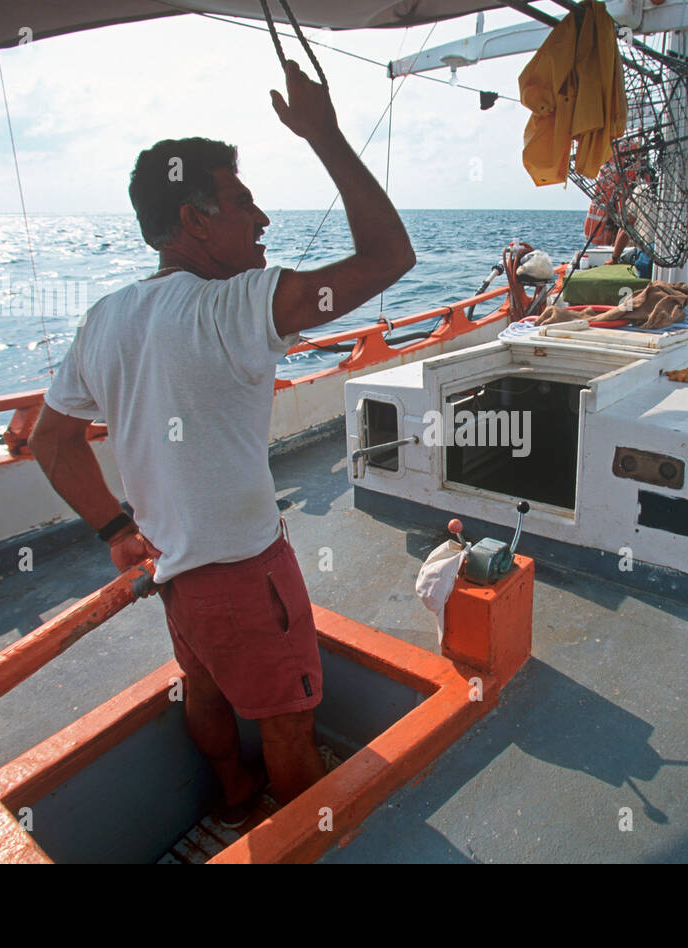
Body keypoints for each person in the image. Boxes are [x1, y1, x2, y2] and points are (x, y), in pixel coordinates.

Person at [27, 60, 415, 822]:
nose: (263, 218)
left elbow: (51, 439)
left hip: (176, 572)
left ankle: (237, 802)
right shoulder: (234, 306)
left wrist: (115, 529)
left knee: (203, 687)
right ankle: (302, 832)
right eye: (243, 202)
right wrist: (326, 134)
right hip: (245, 573)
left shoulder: (104, 316)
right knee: (288, 721)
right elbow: (390, 257)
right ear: (196, 221)